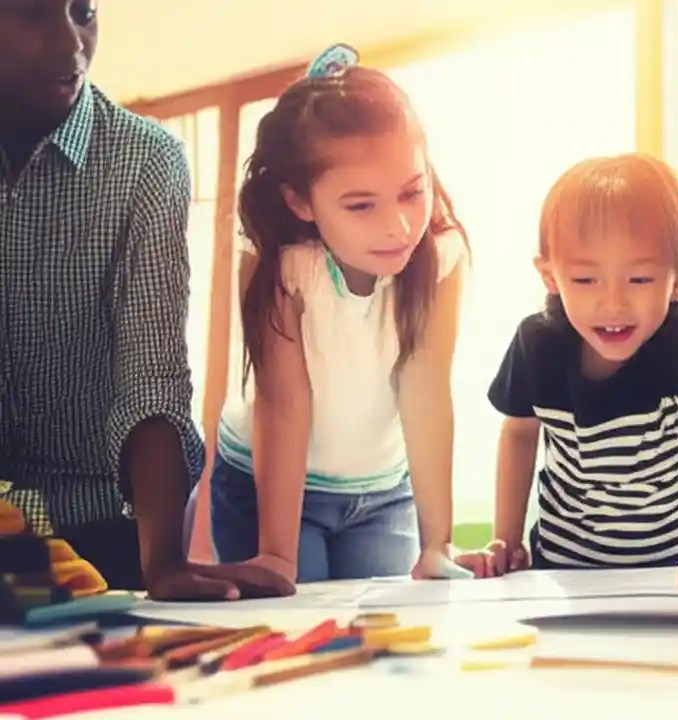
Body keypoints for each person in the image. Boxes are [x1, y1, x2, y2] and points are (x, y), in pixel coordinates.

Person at [0, 0, 288, 599]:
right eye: (32, 14)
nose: (70, 44)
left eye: (84, 11)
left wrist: (164, 562)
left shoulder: (145, 160)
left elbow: (150, 371)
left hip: (102, 533)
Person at [210, 48, 476, 583]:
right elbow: (284, 402)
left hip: (380, 491)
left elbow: (425, 390)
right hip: (273, 487)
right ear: (302, 202)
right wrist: (278, 556)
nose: (399, 226)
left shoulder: (441, 257)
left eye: (412, 192)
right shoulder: (279, 261)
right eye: (361, 206)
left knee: (386, 637)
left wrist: (437, 543)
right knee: (295, 625)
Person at [460, 154, 678, 579]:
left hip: (677, 570)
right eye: (586, 280)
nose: (613, 304)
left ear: (677, 282)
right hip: (562, 569)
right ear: (550, 276)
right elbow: (518, 434)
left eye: (639, 280)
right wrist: (506, 541)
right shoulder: (537, 343)